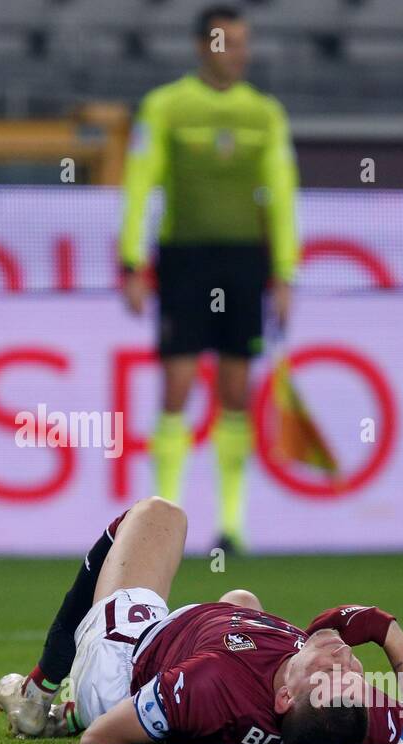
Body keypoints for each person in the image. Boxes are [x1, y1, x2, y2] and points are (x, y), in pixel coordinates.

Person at [0, 498, 403, 744]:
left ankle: (41, 695)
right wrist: (386, 631)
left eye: (329, 670)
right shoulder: (344, 716)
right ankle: (71, 705)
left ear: (283, 696)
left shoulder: (212, 681)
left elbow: (100, 739)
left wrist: (123, 718)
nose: (345, 658)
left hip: (124, 662)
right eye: (354, 673)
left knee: (158, 516)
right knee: (241, 599)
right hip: (193, 640)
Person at [118, 5, 301, 554]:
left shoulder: (263, 114)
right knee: (176, 386)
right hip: (184, 259)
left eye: (244, 43)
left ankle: (232, 524)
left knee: (237, 390)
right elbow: (139, 182)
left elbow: (283, 193)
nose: (238, 53)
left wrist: (286, 272)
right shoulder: (167, 107)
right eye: (228, 43)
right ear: (203, 47)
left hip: (244, 260)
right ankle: (160, 518)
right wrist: (132, 261)